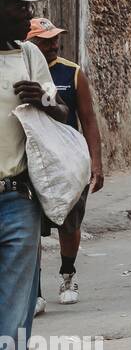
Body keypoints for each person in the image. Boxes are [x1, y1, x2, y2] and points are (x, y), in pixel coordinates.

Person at [0, 0, 69, 350]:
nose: (29, 15)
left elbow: (60, 111)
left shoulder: (28, 56)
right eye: (19, 6)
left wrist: (42, 99)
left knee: (12, 318)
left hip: (16, 201)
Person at [26, 17, 104, 314]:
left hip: (67, 161)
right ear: (29, 43)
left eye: (55, 39)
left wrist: (96, 163)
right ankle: (35, 292)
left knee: (70, 223)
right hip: (32, 161)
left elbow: (88, 119)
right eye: (45, 41)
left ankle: (68, 275)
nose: (53, 45)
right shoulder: (19, 70)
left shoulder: (71, 73)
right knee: (30, 228)